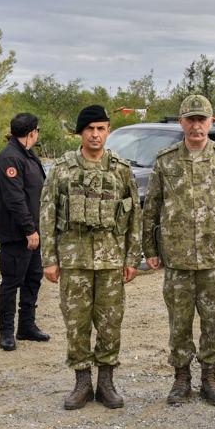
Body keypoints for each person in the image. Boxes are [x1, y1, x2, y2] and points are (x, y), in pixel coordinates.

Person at [142, 94, 215, 406]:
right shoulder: (166, 160)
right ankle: (181, 378)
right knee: (179, 322)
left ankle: (210, 377)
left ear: (210, 122)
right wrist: (150, 247)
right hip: (178, 259)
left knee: (213, 321)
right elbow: (153, 207)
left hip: (214, 258)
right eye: (191, 119)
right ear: (182, 122)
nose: (197, 125)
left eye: (202, 119)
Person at [40, 105, 141, 410]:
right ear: (80, 133)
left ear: (108, 131)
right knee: (77, 323)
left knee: (111, 323)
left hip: (111, 261)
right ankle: (82, 382)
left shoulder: (121, 169)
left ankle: (106, 382)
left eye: (101, 128)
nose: (95, 135)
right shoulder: (62, 169)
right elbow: (47, 213)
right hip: (74, 261)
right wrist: (49, 259)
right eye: (89, 129)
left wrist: (131, 258)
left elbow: (134, 215)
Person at [0, 113, 50, 351]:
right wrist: (29, 229)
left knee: (33, 278)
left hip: (34, 231)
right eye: (37, 131)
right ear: (32, 133)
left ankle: (27, 325)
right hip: (17, 234)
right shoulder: (9, 158)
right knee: (11, 282)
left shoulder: (27, 154)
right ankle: (6, 331)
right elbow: (15, 199)